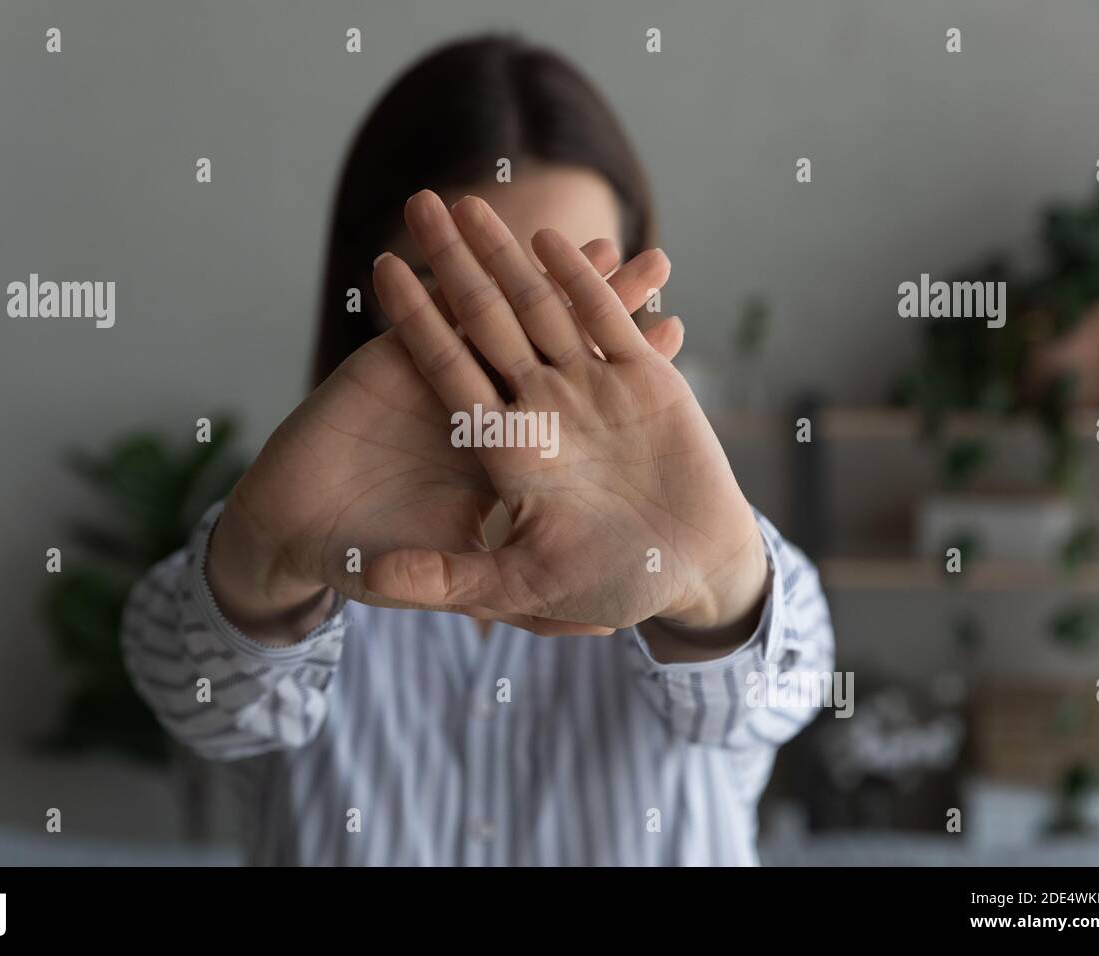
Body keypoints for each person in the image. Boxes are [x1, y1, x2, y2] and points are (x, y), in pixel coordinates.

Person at [122, 34, 833, 866]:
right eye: (456, 292)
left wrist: (717, 590)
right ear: (371, 295)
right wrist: (260, 566)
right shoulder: (297, 534)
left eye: (566, 294)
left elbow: (770, 693)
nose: (507, 344)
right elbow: (202, 700)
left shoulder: (700, 554)